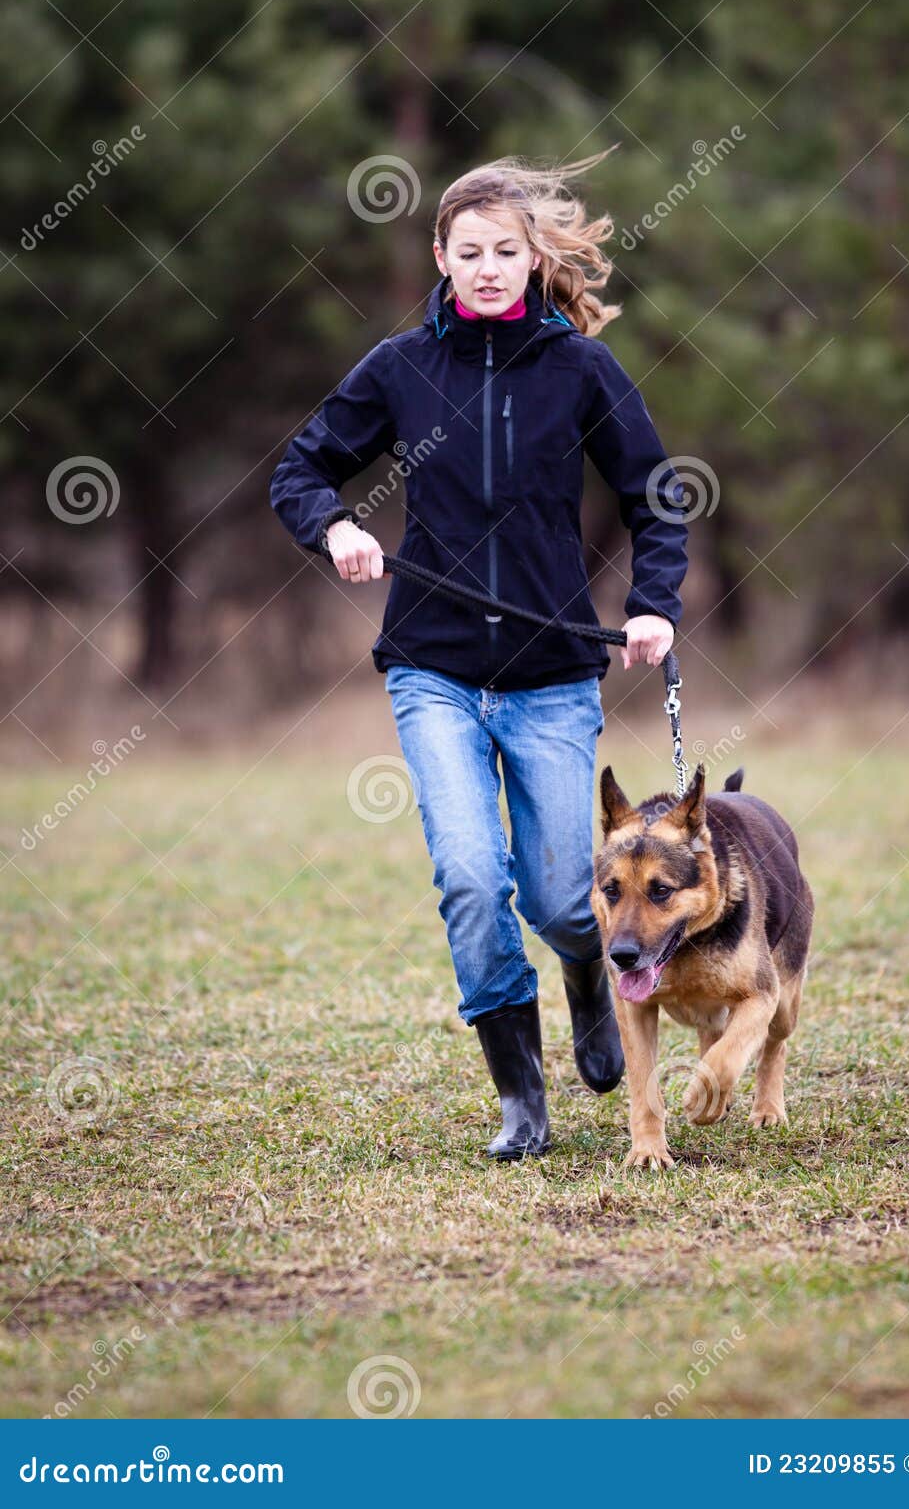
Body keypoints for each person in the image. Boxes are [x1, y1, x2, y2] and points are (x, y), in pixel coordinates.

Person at [270, 150, 688, 1159]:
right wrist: (336, 529)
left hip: (552, 674)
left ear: (534, 255)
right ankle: (519, 1097)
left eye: (507, 250)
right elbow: (302, 466)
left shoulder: (579, 368)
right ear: (439, 256)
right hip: (433, 668)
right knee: (466, 875)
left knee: (557, 895)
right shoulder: (401, 369)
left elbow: (654, 496)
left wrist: (653, 606)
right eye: (471, 252)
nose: (490, 267)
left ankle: (588, 974)